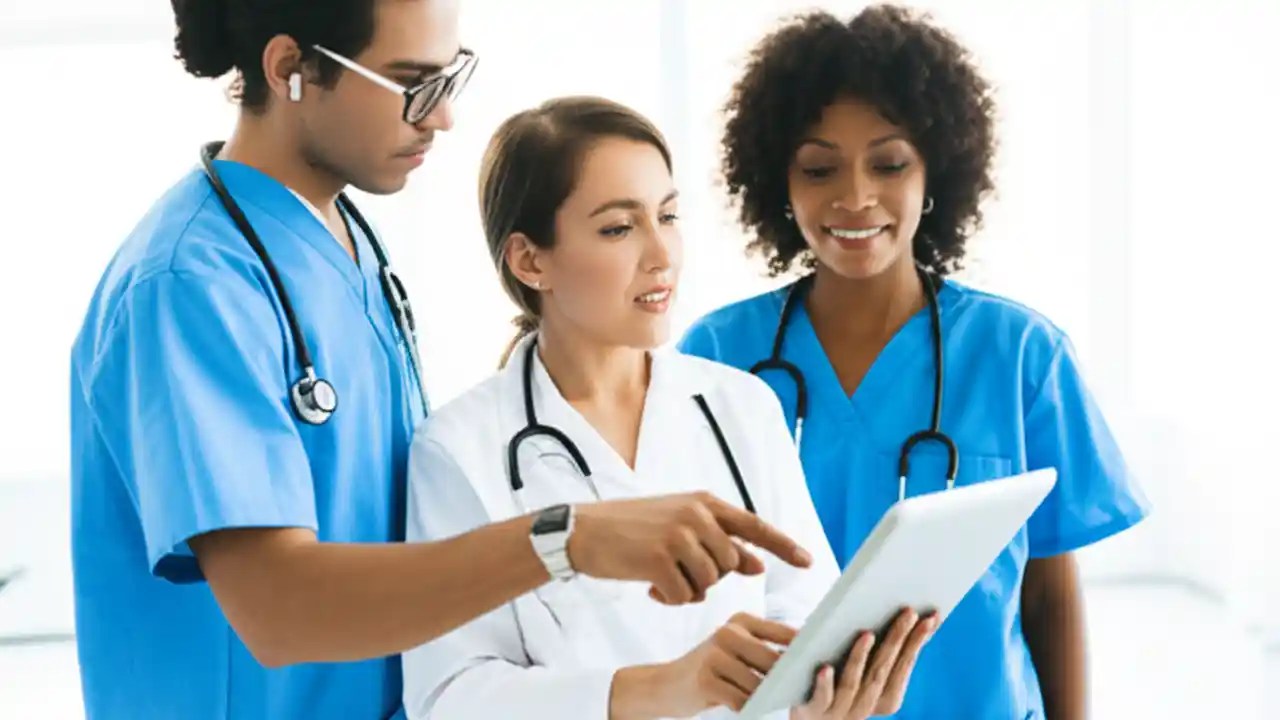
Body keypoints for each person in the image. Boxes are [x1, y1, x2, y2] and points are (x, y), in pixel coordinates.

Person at [69, 3, 813, 718]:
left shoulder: (349, 248)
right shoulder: (188, 287)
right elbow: (278, 610)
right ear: (290, 67)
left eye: (451, 76)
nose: (443, 115)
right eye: (412, 83)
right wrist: (568, 538)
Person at [678, 6, 1152, 720]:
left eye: (889, 163)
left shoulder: (1022, 355)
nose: (856, 196)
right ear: (780, 181)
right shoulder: (716, 354)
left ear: (936, 173)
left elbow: (1050, 591)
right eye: (818, 167)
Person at [400, 96, 938, 720]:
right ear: (530, 260)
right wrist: (668, 687)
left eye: (669, 215)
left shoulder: (740, 407)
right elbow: (449, 698)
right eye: (619, 228)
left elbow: (808, 612)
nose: (663, 255)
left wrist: (832, 694)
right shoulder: (461, 449)